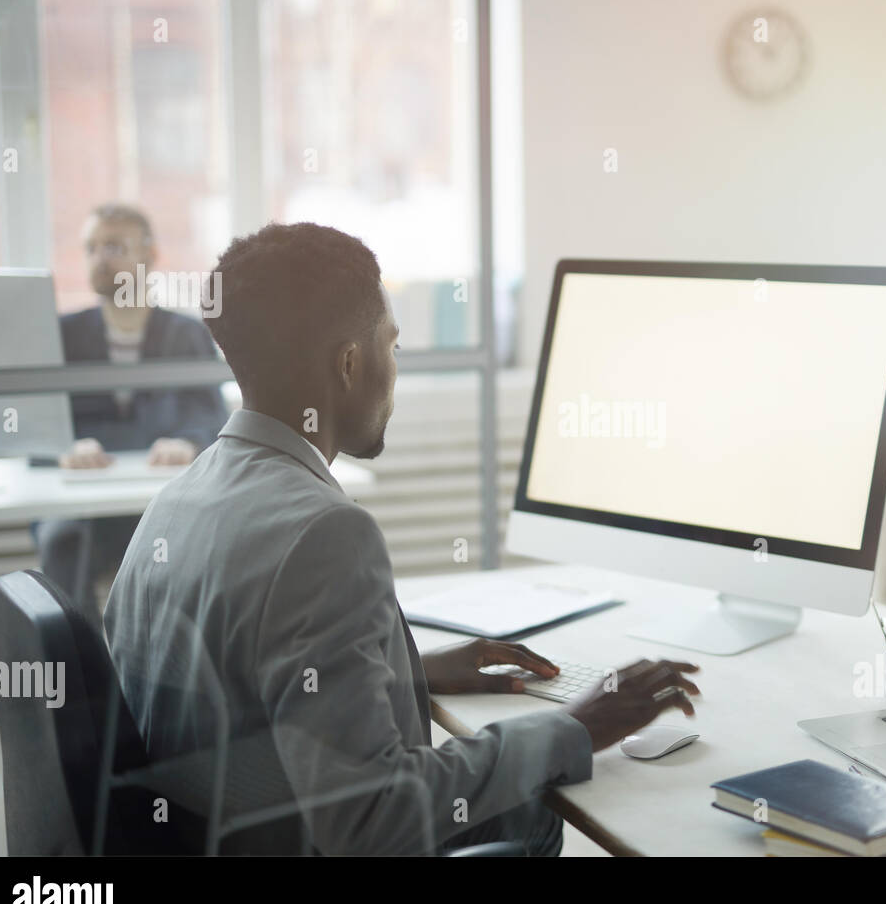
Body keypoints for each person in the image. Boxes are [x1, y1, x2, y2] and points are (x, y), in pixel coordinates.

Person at [103, 222, 700, 856]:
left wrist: (406, 671)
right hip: (287, 839)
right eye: (391, 344)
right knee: (533, 814)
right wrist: (574, 727)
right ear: (350, 362)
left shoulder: (178, 499)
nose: (395, 369)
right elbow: (369, 818)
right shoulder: (324, 533)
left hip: (217, 825)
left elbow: (240, 684)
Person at [34, 204, 226, 625]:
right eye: (91, 248)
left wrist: (188, 442)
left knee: (190, 550)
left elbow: (214, 418)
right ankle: (82, 679)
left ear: (151, 256)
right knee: (62, 539)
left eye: (115, 246)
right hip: (81, 508)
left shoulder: (187, 334)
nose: (100, 258)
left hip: (157, 503)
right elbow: (32, 423)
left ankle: (159, 676)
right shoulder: (61, 335)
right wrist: (62, 445)